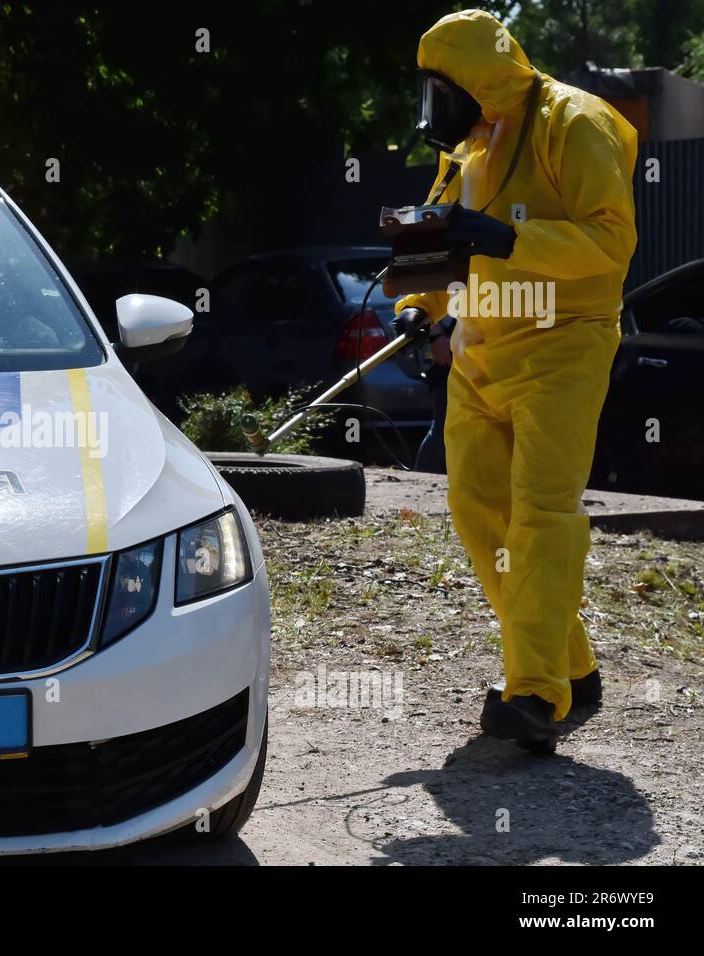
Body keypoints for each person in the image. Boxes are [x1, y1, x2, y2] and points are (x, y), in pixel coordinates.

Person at [394, 10, 638, 752]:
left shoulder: (577, 122)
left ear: (482, 80)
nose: (437, 111)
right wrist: (417, 306)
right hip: (480, 352)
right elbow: (442, 234)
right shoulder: (469, 144)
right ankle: (573, 663)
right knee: (477, 515)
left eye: (446, 91)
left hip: (564, 348)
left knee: (540, 517)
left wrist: (511, 238)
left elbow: (612, 240)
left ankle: (534, 693)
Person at [414, 317, 454, 474]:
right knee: (443, 427)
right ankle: (421, 480)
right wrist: (435, 335)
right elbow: (423, 297)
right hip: (447, 343)